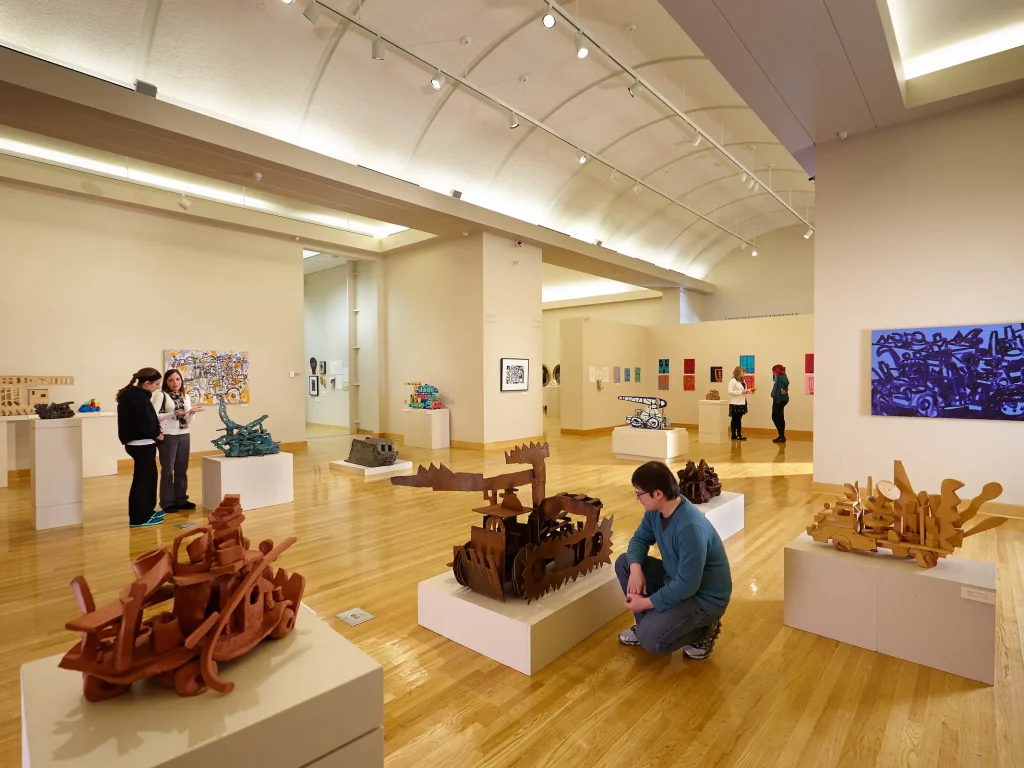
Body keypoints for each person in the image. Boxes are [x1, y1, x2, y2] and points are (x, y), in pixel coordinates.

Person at [615, 461, 732, 659]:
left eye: (639, 492)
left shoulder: (690, 528)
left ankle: (705, 630)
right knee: (625, 563)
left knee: (651, 641)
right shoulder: (656, 511)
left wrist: (644, 603)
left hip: (703, 599)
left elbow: (687, 586)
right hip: (677, 579)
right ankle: (648, 625)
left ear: (658, 493)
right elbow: (639, 540)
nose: (637, 498)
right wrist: (636, 570)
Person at [116, 368, 164, 528]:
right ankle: (139, 518)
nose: (157, 387)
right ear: (146, 383)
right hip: (141, 444)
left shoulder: (131, 395)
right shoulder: (139, 399)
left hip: (137, 443)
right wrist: (158, 435)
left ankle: (147, 511)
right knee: (142, 481)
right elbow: (146, 423)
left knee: (148, 477)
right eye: (156, 384)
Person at [154, 369, 203, 513]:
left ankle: (181, 499)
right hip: (168, 435)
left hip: (184, 434)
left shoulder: (185, 396)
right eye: (171, 380)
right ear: (166, 382)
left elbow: (187, 420)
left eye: (178, 379)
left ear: (181, 381)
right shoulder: (160, 395)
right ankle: (167, 502)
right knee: (168, 469)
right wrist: (172, 413)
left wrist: (191, 413)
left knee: (182, 469)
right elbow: (153, 415)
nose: (175, 383)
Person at [727, 366, 754, 441]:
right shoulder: (733, 381)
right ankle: (733, 435)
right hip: (735, 403)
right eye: (743, 372)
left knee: (739, 419)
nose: (744, 374)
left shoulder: (743, 381)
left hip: (742, 402)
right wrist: (741, 392)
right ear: (738, 373)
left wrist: (749, 390)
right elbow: (730, 391)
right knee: (735, 419)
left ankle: (739, 434)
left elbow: (744, 391)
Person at [770, 364, 790, 443]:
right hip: (778, 400)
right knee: (778, 417)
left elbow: (786, 382)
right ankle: (781, 436)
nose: (773, 372)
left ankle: (781, 436)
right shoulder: (780, 377)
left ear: (777, 370)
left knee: (776, 417)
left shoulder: (782, 377)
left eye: (773, 371)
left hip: (779, 400)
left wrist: (783, 390)